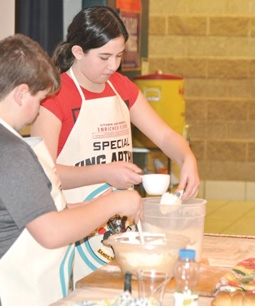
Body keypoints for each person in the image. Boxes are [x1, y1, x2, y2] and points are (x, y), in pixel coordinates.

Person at [0, 33, 142, 306]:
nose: (38, 112)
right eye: (39, 100)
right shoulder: (6, 151)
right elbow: (51, 231)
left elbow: (34, 214)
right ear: (19, 93)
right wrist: (115, 201)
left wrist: (100, 205)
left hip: (0, 282)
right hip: (13, 289)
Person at [31, 6, 200, 282]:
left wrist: (187, 157)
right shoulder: (54, 98)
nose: (113, 66)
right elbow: (43, 176)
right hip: (71, 232)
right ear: (77, 52)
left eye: (119, 56)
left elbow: (165, 136)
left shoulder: (121, 87)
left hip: (121, 229)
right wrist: (104, 173)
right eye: (104, 57)